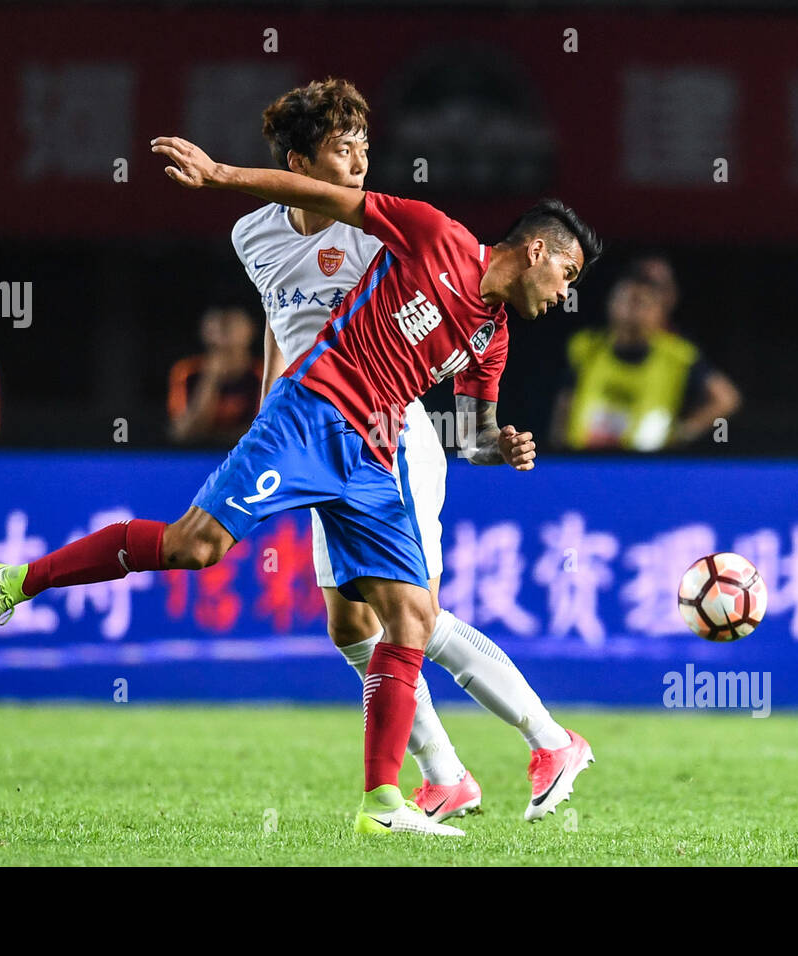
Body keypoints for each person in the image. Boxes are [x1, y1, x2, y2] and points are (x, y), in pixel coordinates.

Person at [0, 130, 602, 838]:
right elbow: (324, 196)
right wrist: (220, 173)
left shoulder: (492, 338)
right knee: (194, 548)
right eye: (567, 274)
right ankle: (14, 583)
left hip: (376, 454)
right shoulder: (435, 233)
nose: (565, 293)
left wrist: (497, 450)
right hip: (313, 412)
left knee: (409, 618)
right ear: (537, 250)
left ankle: (385, 805)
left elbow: (471, 436)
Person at [232, 77, 586, 825]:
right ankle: (447, 773)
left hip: (385, 431)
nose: (359, 163)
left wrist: (484, 441)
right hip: (311, 431)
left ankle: (548, 739)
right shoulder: (253, 236)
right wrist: (268, 415)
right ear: (300, 159)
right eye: (341, 148)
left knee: (411, 614)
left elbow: (450, 343)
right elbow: (281, 325)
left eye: (365, 147)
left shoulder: (377, 231)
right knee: (351, 624)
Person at [552, 266, 740, 450]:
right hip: (585, 462)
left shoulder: (678, 356)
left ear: (660, 311)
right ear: (611, 303)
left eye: (641, 303)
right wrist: (560, 451)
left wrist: (682, 433)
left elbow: (726, 398)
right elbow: (565, 403)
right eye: (625, 300)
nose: (631, 310)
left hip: (646, 467)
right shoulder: (585, 347)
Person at [167, 306, 262, 446]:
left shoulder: (263, 373)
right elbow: (183, 432)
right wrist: (211, 378)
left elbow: (265, 433)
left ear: (251, 329)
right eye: (218, 325)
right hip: (197, 458)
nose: (224, 334)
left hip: (249, 458)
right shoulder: (187, 372)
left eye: (230, 325)